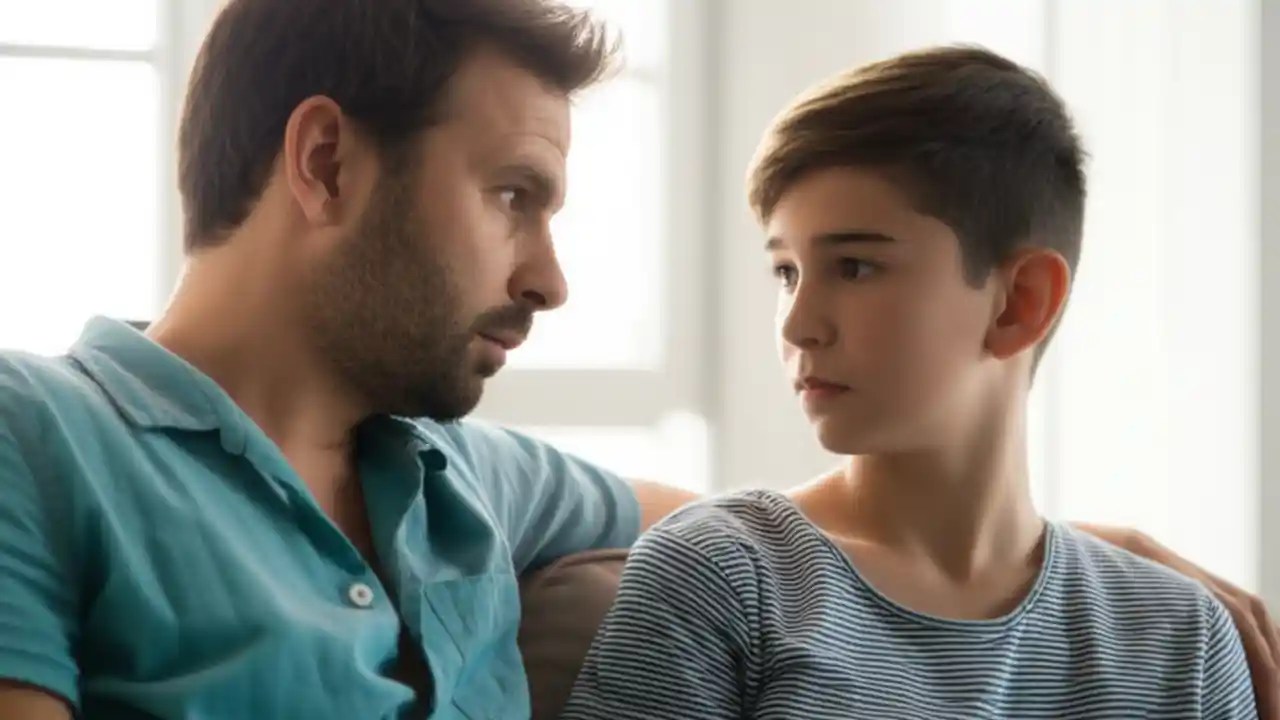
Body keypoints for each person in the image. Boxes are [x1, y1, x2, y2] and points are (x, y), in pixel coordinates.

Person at [0, 1, 1272, 717]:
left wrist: (1098, 560)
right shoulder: (40, 439)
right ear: (325, 162)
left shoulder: (469, 482)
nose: (549, 278)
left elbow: (813, 542)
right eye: (512, 194)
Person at [561, 46, 1269, 719]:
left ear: (1020, 302)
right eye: (786, 272)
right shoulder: (721, 576)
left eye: (855, 267)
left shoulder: (1183, 637)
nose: (798, 324)